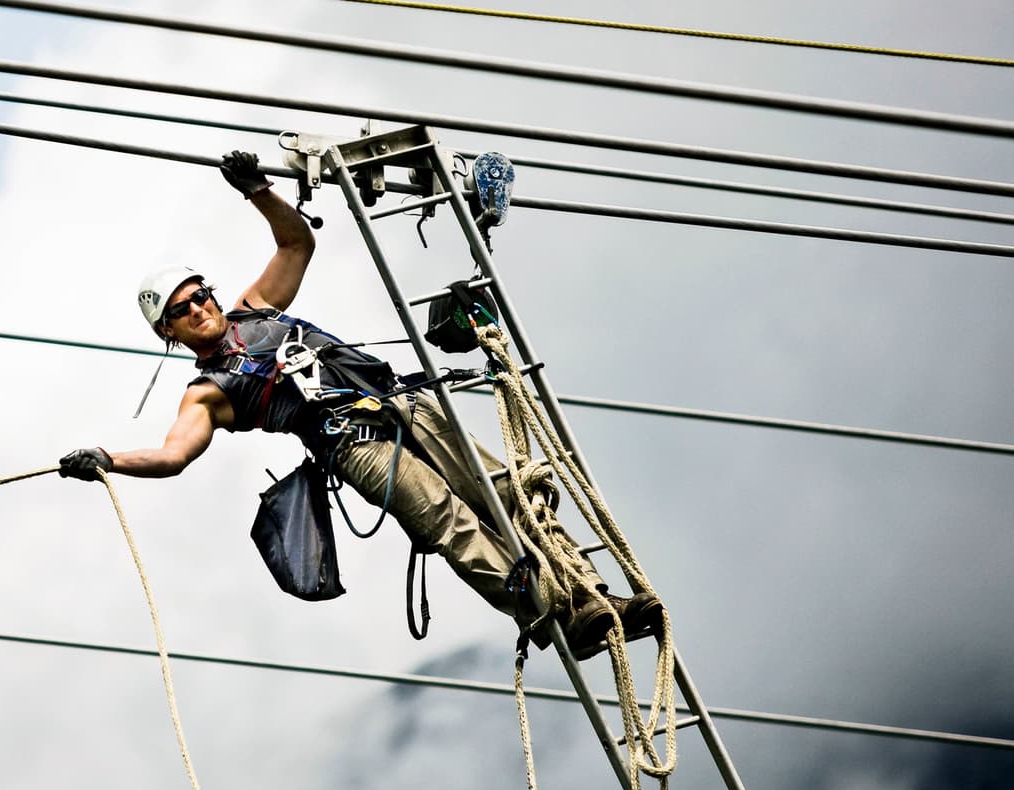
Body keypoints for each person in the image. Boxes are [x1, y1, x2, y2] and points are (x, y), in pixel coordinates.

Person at [60, 151, 659, 651]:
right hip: (355, 446)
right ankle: (556, 618)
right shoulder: (208, 393)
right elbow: (173, 456)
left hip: (403, 403)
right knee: (449, 520)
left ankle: (595, 597)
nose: (198, 308)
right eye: (182, 310)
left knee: (504, 491)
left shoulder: (253, 309)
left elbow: (296, 244)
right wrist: (109, 459)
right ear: (169, 332)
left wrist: (259, 191)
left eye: (200, 296)